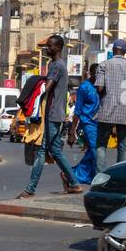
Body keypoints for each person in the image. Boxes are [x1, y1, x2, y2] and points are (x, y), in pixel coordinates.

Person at [20, 34, 81, 197]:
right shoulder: (58, 64)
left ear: (58, 48)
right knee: (54, 151)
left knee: (42, 151)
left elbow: (46, 88)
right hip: (55, 113)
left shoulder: (56, 66)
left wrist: (33, 87)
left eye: (50, 46)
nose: (47, 48)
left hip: (52, 113)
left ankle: (30, 189)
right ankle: (74, 183)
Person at [93, 38, 126, 167]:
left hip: (107, 109)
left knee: (101, 144)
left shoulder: (104, 65)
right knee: (124, 146)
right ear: (125, 51)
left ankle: (100, 176)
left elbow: (100, 88)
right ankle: (121, 177)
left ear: (113, 50)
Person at [70, 63, 101, 186]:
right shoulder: (84, 87)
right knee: (95, 151)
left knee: (92, 152)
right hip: (88, 123)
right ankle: (98, 180)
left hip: (99, 124)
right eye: (97, 74)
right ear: (91, 73)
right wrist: (72, 131)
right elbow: (77, 110)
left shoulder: (100, 87)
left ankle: (73, 174)